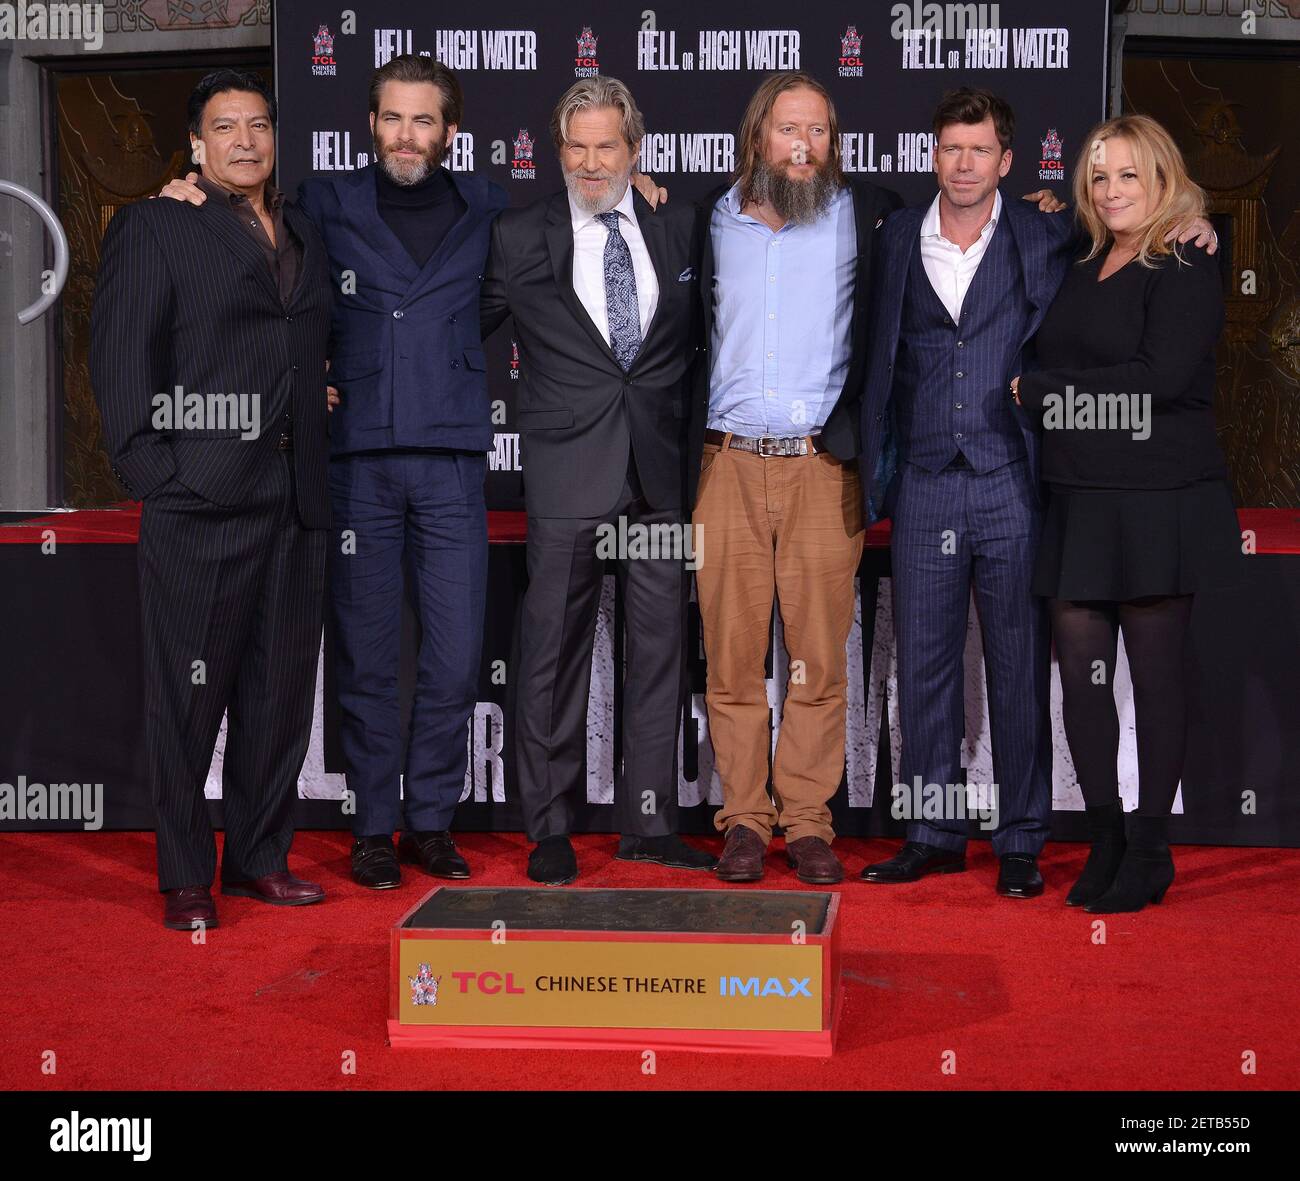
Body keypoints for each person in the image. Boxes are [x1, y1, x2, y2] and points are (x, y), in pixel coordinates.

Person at [159, 56, 508, 890]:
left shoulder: (490, 206)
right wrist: (184, 189)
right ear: (371, 123)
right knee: (368, 654)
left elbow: (512, 287)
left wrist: (641, 190)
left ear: (450, 132)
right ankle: (375, 826)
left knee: (456, 655)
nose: (406, 135)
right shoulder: (322, 201)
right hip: (355, 457)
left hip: (454, 452)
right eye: (392, 117)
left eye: (424, 121)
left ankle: (432, 818)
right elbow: (245, 229)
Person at [858, 89, 1216, 898]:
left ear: (1007, 162)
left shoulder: (1048, 233)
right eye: (950, 148)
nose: (963, 163)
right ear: (931, 154)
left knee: (1021, 665)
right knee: (924, 666)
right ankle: (932, 831)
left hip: (1016, 481)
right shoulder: (890, 239)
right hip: (922, 479)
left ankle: (1021, 838)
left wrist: (1198, 224)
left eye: (980, 150)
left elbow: (1153, 248)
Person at [91, 69, 334, 929]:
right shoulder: (157, 224)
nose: (244, 141)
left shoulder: (304, 226)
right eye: (225, 127)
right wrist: (158, 477)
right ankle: (187, 872)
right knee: (188, 701)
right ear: (196, 143)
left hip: (296, 501)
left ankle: (260, 858)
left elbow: (298, 343)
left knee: (275, 698)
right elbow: (121, 362)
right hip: (201, 501)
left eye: (258, 125)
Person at [479, 75, 714, 885]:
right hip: (565, 473)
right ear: (558, 151)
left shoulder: (678, 225)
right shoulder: (516, 236)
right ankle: (549, 824)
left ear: (634, 150)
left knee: (659, 651)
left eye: (604, 145)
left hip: (656, 472)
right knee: (550, 653)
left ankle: (649, 823)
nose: (588, 161)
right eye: (574, 146)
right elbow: (456, 327)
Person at [1012, 114, 1240, 913]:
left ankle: (1150, 846)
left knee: (1156, 676)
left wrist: (1043, 396)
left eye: (1129, 176)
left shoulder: (1184, 257)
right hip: (1079, 495)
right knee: (1081, 678)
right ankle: (1104, 833)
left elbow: (1159, 378)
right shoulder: (1080, 256)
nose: (1111, 191)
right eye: (1099, 176)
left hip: (1158, 499)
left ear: (1162, 180)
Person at [686, 72, 901, 884]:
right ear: (758, 138)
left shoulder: (870, 216)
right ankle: (744, 819)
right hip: (724, 463)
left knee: (817, 657)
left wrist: (1051, 215)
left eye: (817, 131)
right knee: (731, 659)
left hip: (822, 466)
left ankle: (808, 821)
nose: (803, 146)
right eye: (788, 130)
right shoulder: (704, 218)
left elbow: (983, 221)